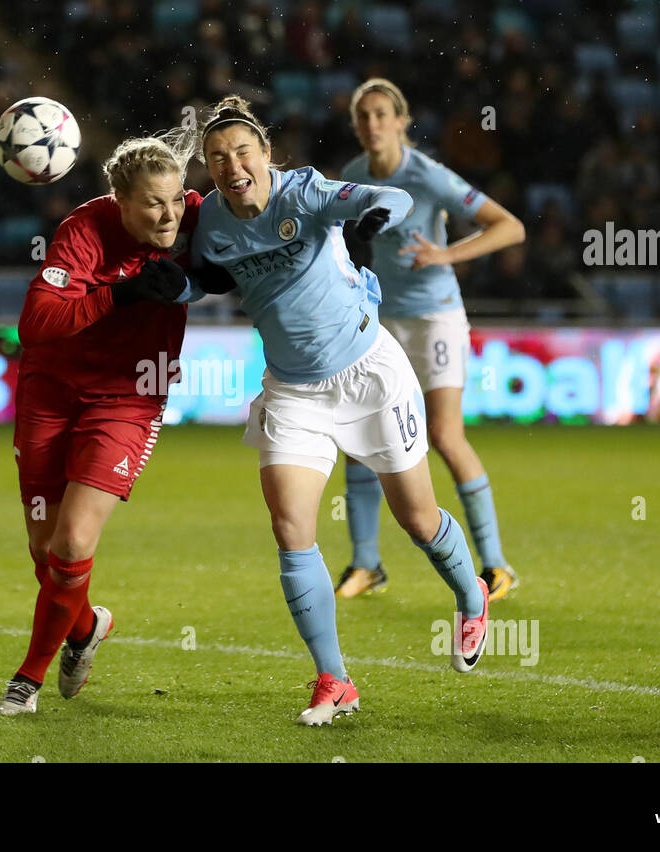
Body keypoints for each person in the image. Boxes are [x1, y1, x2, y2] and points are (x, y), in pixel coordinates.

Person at [191, 96, 489, 727]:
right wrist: (166, 286)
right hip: (294, 392)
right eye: (217, 158)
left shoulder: (303, 193)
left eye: (242, 151)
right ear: (207, 168)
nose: (232, 165)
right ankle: (334, 679)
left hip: (370, 375)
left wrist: (374, 210)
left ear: (265, 153)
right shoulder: (212, 222)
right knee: (291, 527)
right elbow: (202, 276)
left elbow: (395, 199)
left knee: (416, 517)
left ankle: (471, 591)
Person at [0, 130, 201, 715]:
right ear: (120, 200)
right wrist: (122, 294)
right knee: (46, 553)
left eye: (175, 198)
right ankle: (85, 627)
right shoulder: (84, 230)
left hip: (130, 395)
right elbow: (35, 323)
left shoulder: (198, 217)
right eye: (152, 203)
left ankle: (27, 679)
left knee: (73, 542)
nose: (168, 214)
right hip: (51, 391)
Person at [336, 79, 526, 600]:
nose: (372, 124)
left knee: (444, 434)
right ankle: (366, 563)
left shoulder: (428, 175)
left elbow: (509, 227)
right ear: (356, 126)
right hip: (382, 321)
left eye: (381, 114)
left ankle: (497, 565)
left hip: (436, 318)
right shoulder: (353, 177)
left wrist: (446, 255)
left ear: (401, 121)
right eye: (364, 116)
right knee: (359, 437)